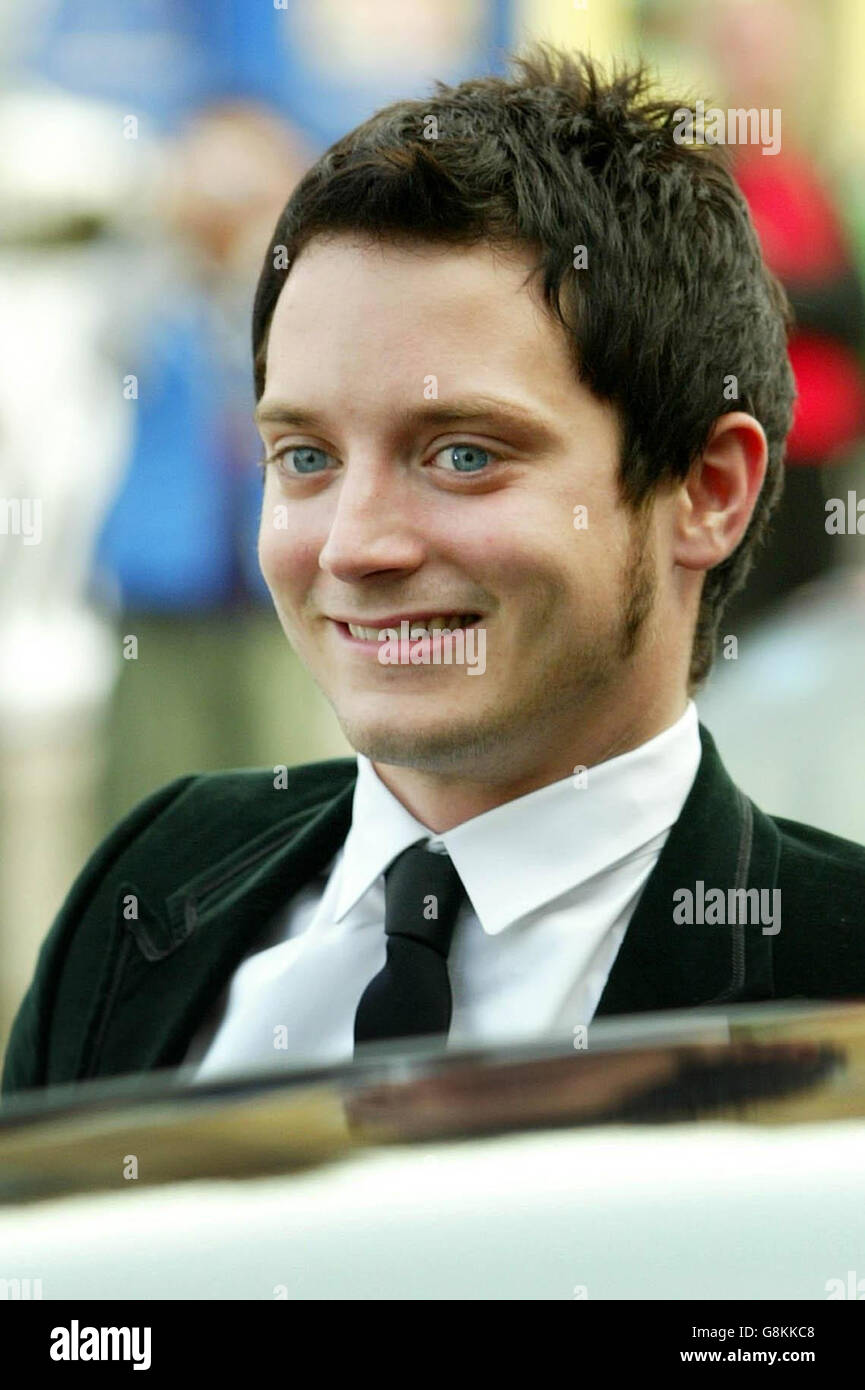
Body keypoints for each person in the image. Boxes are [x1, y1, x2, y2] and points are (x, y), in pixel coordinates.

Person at [4, 45, 865, 1096]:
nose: (355, 544)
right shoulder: (152, 889)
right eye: (305, 457)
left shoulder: (834, 976)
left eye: (463, 455)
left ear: (705, 489)